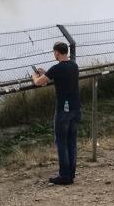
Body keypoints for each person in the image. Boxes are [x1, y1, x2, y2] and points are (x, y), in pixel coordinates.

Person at [32, 42, 81, 186]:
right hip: (76, 108)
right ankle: (71, 173)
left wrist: (34, 76)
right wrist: (46, 73)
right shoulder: (74, 65)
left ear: (57, 53)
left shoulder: (56, 69)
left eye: (54, 52)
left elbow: (39, 83)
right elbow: (59, 77)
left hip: (63, 111)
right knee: (71, 142)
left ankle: (64, 176)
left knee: (61, 143)